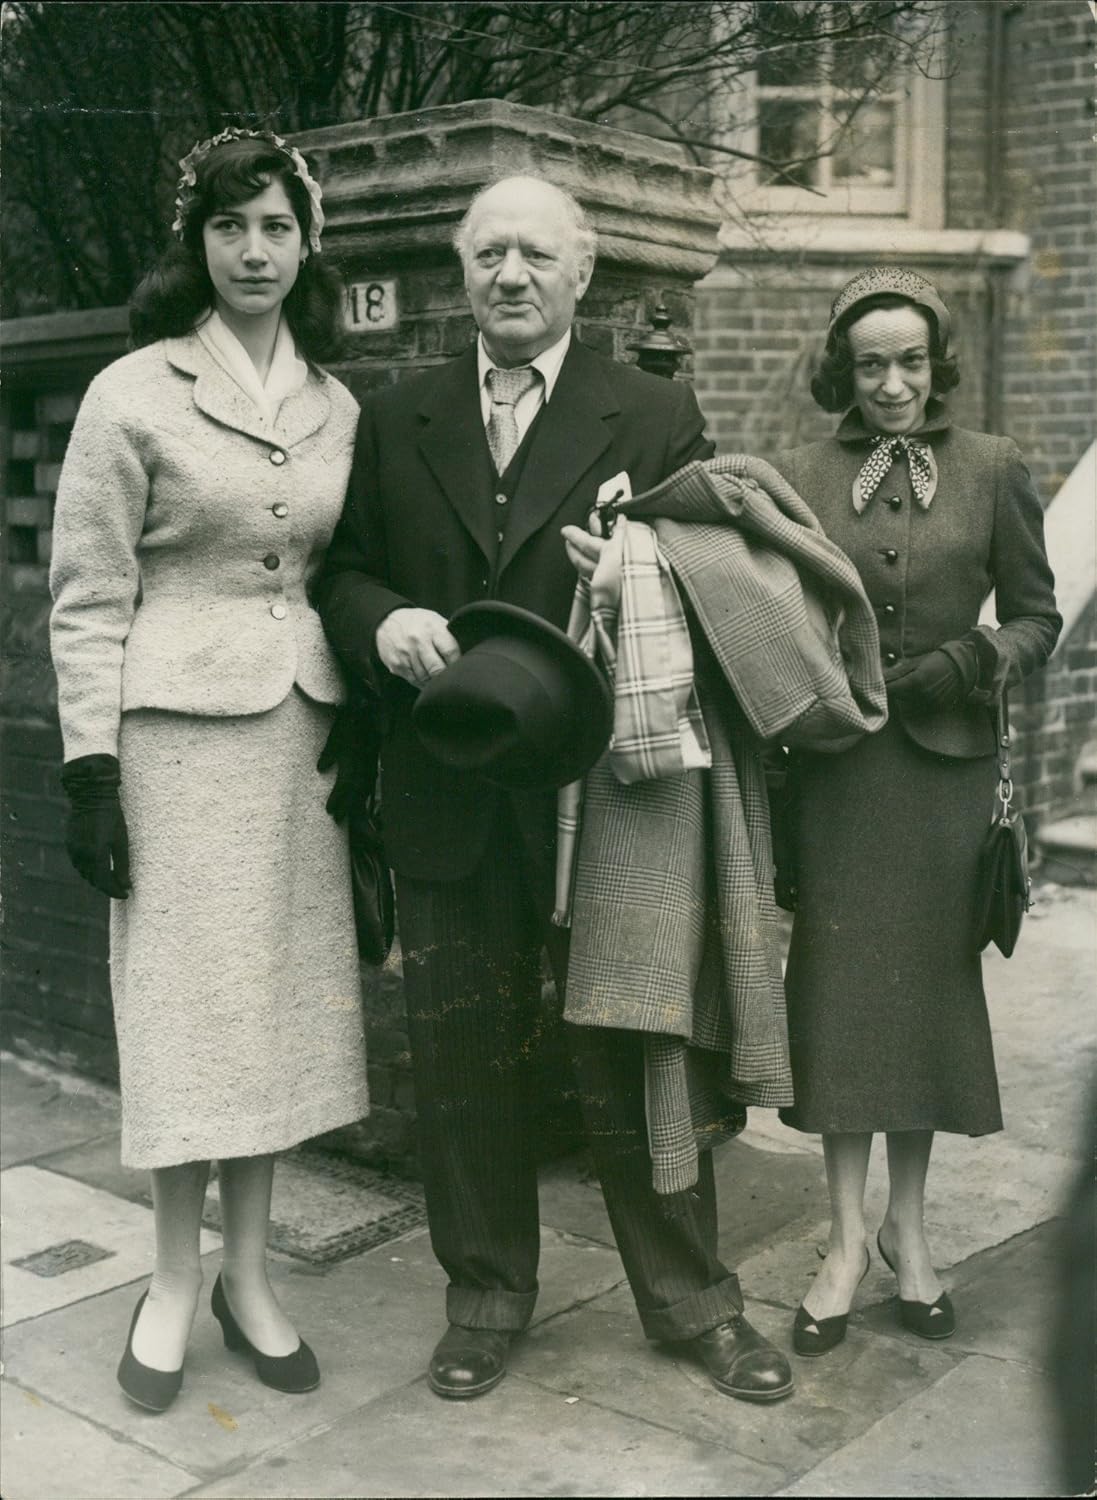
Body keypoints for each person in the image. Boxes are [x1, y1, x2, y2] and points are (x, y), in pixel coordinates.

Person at [318, 174, 793, 1404]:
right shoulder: (400, 414)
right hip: (448, 774)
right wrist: (384, 627)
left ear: (583, 274)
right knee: (462, 1045)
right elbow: (347, 573)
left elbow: (719, 574)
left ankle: (691, 1300)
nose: (509, 276)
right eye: (487, 255)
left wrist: (640, 563)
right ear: (460, 272)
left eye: (535, 254)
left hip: (604, 789)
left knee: (633, 1043)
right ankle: (484, 1295)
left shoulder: (649, 411)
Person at [48, 128, 368, 1412]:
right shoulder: (131, 392)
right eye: (229, 227)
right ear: (197, 243)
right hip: (171, 747)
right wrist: (88, 770)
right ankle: (171, 1280)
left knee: (276, 1018)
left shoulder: (335, 404)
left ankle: (251, 1277)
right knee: (190, 1024)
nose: (253, 250)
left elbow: (336, 570)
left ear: (305, 243)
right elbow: (85, 595)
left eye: (275, 227)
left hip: (300, 744)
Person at [770, 267, 1061, 1356]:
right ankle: (842, 1242)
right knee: (842, 1004)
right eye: (867, 365)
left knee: (925, 1007)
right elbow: (775, 616)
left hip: (941, 776)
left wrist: (972, 658)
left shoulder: (991, 470)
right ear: (839, 372)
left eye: (907, 362)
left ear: (935, 364)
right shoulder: (798, 475)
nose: (889, 384)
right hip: (840, 778)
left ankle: (909, 1230)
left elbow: (1037, 619)